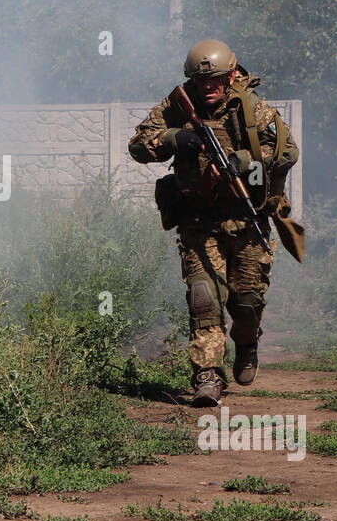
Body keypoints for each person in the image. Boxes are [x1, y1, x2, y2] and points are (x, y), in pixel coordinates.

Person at [128, 39, 299, 407]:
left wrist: (247, 160)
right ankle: (207, 377)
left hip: (246, 219)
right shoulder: (178, 105)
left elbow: (287, 151)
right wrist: (177, 138)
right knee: (204, 299)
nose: (208, 87)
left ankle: (247, 343)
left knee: (247, 303)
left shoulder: (251, 108)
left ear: (232, 75)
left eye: (216, 80)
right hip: (198, 221)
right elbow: (139, 144)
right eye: (200, 81)